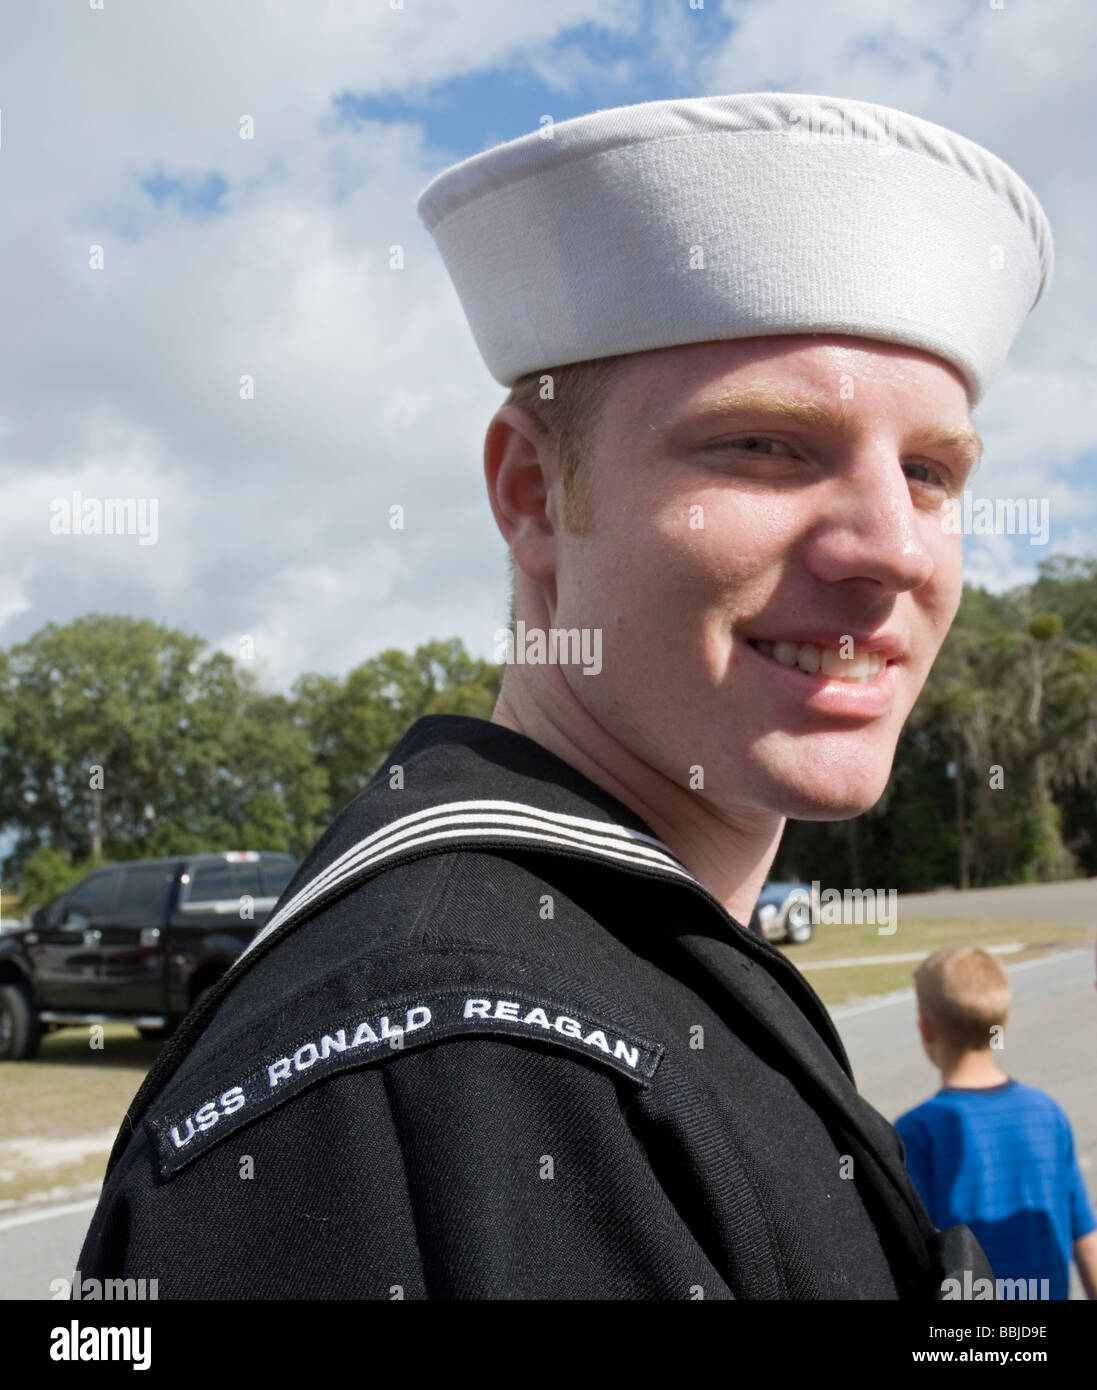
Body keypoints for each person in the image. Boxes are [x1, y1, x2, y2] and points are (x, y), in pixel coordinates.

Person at [78, 92, 1054, 1298]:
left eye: (926, 471)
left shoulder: (623, 976)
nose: (890, 546)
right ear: (535, 495)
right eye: (763, 444)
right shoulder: (439, 1090)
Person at [895, 947, 1097, 1300]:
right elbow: (1086, 1235)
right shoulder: (1047, 1113)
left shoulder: (917, 1132)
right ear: (1001, 1024)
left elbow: (909, 1258)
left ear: (926, 1029)